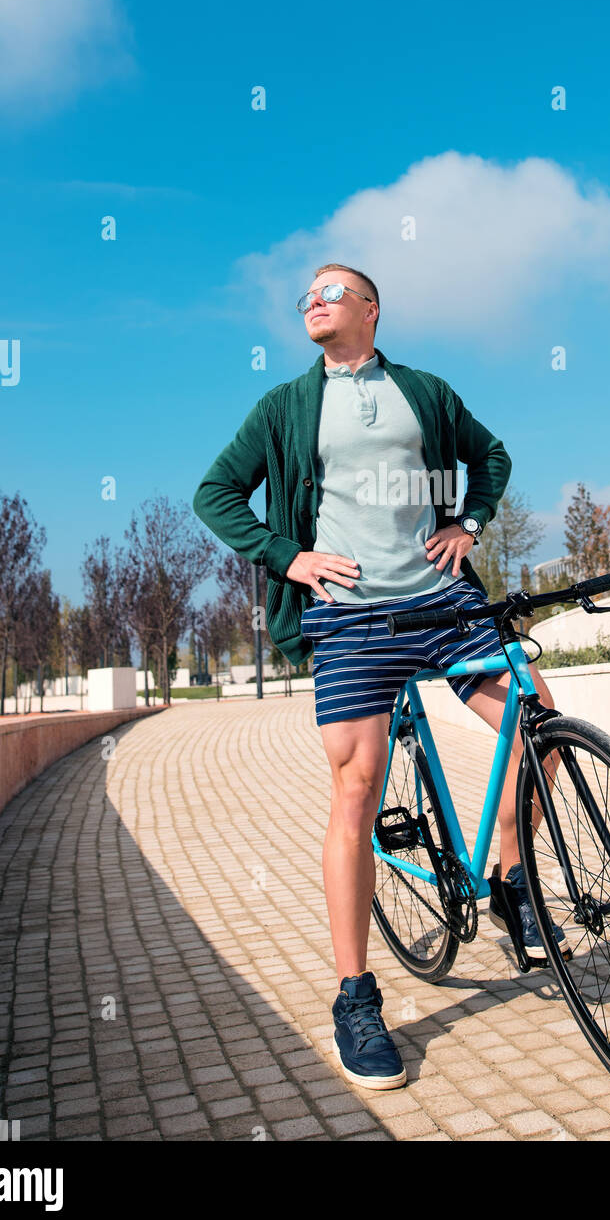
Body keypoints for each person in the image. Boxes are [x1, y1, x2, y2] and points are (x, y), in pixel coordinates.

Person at [193, 263, 561, 1090]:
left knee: (541, 726)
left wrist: (469, 519)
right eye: (305, 299)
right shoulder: (285, 406)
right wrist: (287, 557)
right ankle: (356, 996)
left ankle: (508, 876)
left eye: (328, 292)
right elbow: (214, 493)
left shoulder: (424, 390)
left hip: (443, 603)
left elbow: (488, 455)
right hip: (349, 619)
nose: (312, 304)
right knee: (355, 787)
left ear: (369, 309)